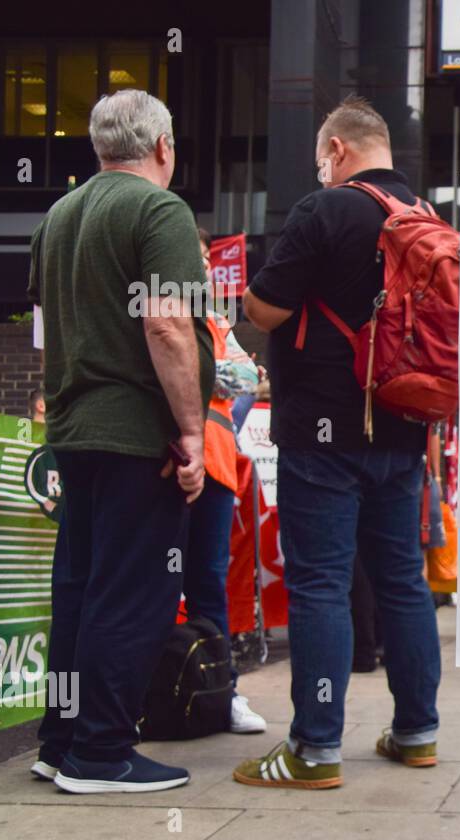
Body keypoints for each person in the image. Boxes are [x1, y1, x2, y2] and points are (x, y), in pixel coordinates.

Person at [237, 95, 441, 788]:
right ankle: (417, 733)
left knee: (321, 584)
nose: (319, 168)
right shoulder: (429, 218)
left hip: (323, 431)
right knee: (402, 583)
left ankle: (315, 749)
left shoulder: (325, 210)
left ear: (340, 150)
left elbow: (264, 307)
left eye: (321, 156)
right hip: (405, 428)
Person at [28, 89, 209, 793]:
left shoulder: (58, 216)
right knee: (131, 592)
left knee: (78, 587)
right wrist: (192, 430)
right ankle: (102, 753)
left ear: (100, 148)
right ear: (162, 147)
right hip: (136, 433)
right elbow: (167, 324)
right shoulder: (158, 210)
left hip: (74, 429)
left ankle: (62, 741)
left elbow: (46, 326)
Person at [181, 228, 266, 733]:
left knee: (207, 580)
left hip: (212, 466)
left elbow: (246, 379)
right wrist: (211, 372)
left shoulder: (213, 320)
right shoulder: (150, 311)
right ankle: (146, 692)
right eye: (197, 259)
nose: (206, 268)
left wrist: (199, 368)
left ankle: (220, 690)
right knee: (149, 582)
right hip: (157, 463)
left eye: (207, 259)